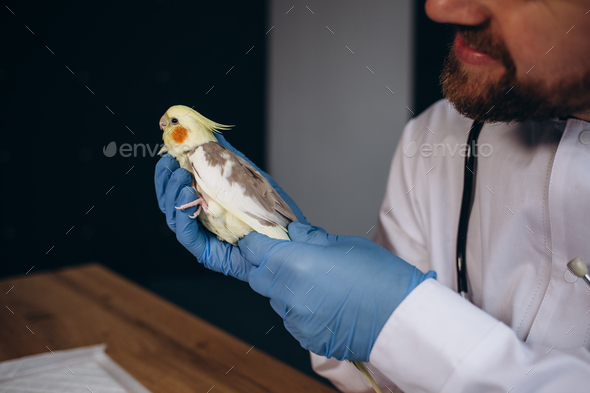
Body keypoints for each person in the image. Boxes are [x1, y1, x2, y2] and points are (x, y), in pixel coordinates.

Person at [154, 0, 590, 391]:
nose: (440, 8)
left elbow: (384, 324)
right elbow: (370, 366)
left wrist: (402, 322)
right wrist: (305, 282)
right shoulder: (433, 138)